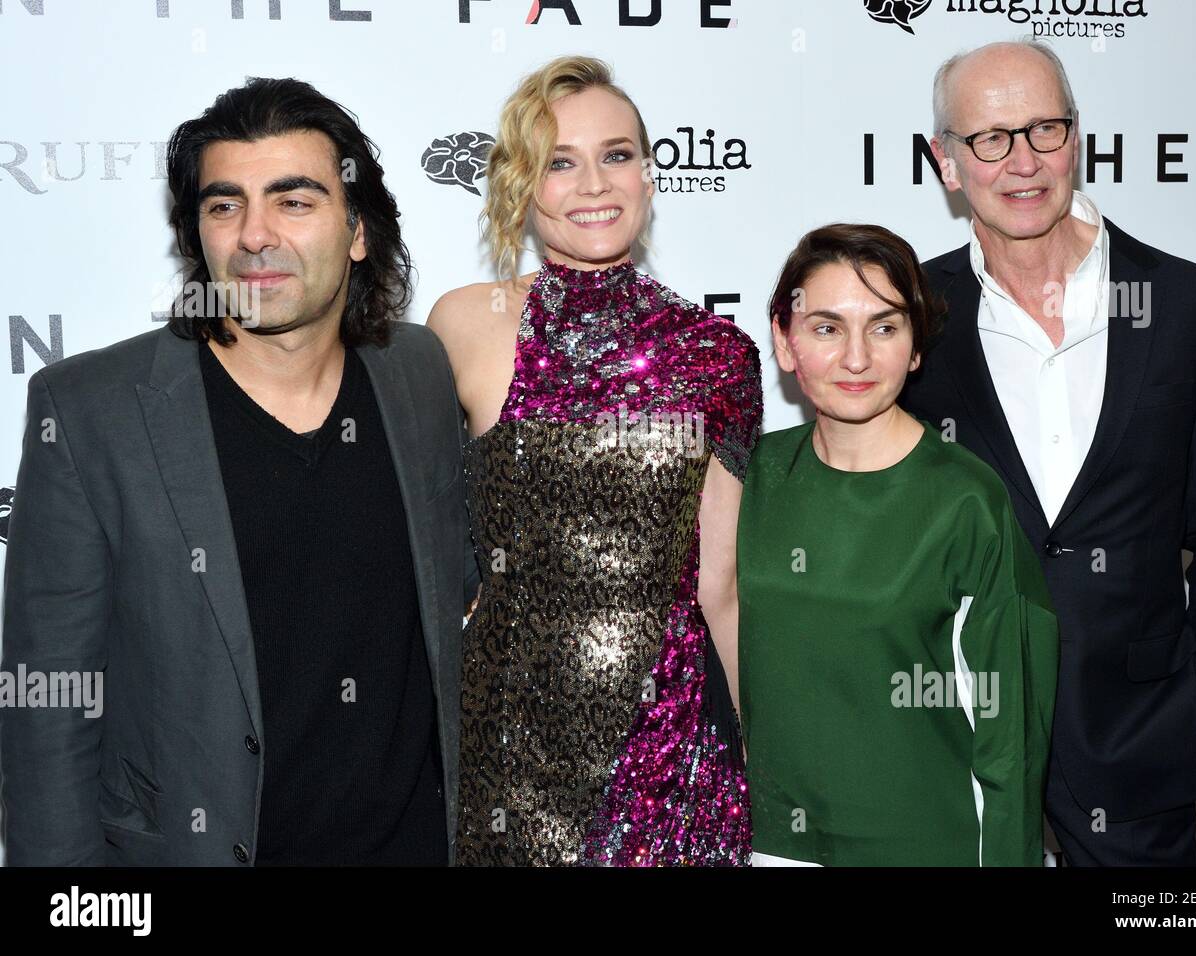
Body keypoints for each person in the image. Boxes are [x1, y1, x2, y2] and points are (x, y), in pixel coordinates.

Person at [0, 77, 476, 865]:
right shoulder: (91, 412)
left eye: (295, 201)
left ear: (358, 230)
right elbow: (50, 711)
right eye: (224, 205)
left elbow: (456, 593)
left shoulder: (418, 372)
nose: (255, 235)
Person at [902, 40, 1196, 865]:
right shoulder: (910, 316)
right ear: (948, 163)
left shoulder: (1186, 304)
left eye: (1044, 129)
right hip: (954, 736)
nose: (1022, 161)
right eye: (990, 138)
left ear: (1078, 139)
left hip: (1137, 739)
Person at [429, 55, 761, 866]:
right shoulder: (466, 324)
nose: (593, 185)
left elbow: (718, 584)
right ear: (520, 186)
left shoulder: (720, 353)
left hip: (670, 736)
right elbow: (426, 536)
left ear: (650, 175)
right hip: (507, 734)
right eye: (559, 162)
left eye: (616, 155)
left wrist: (754, 749)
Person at [739, 223, 1058, 866]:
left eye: (884, 327)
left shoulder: (966, 498)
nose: (856, 358)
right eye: (826, 327)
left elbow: (1010, 731)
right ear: (784, 340)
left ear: (915, 349)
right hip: (766, 846)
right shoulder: (750, 475)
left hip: (922, 844)